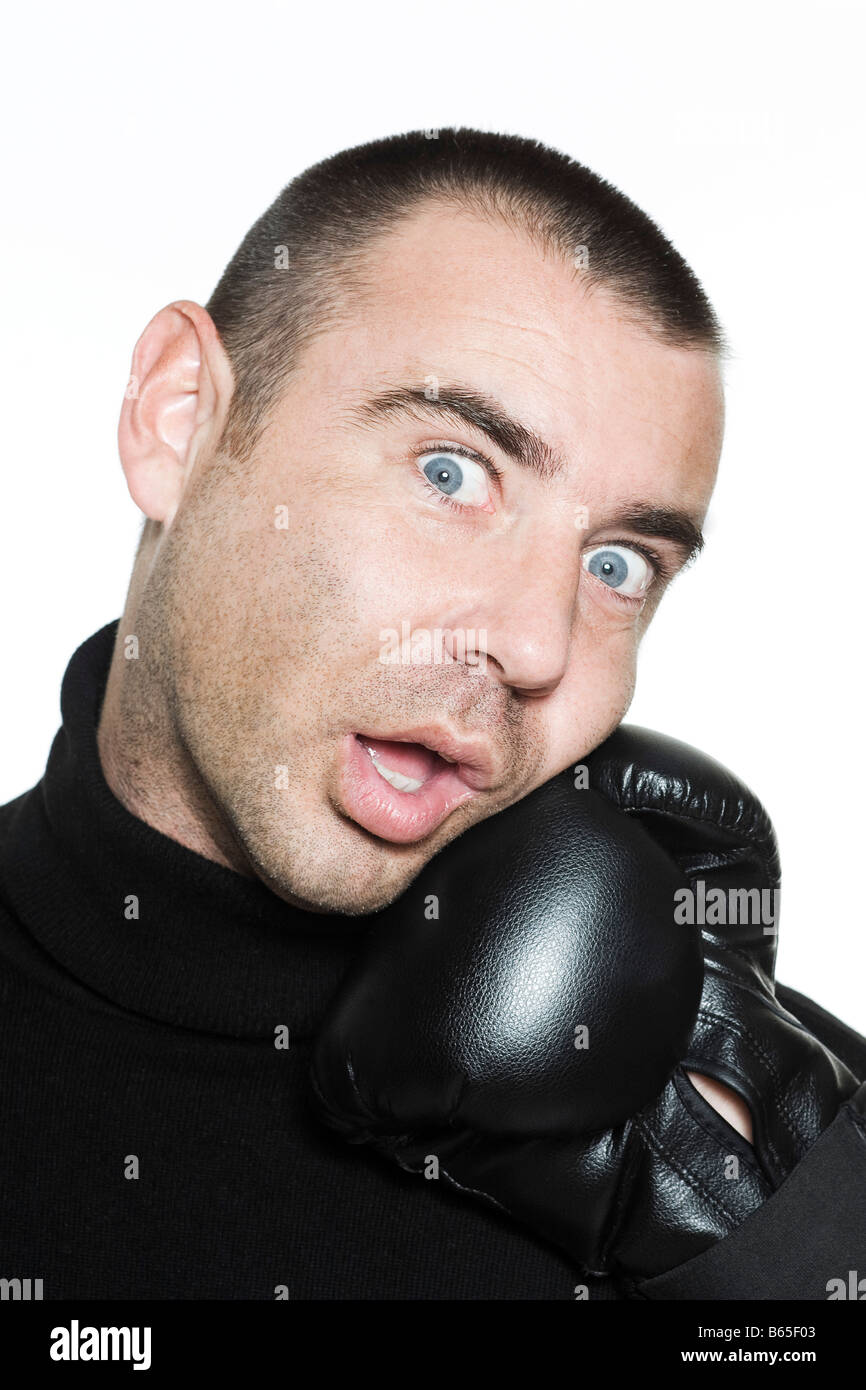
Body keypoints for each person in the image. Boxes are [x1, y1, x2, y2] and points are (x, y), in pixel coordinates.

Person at [1, 127, 863, 1301]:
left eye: (616, 564)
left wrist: (791, 1242)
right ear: (181, 417)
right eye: (450, 472)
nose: (534, 645)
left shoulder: (727, 1126)